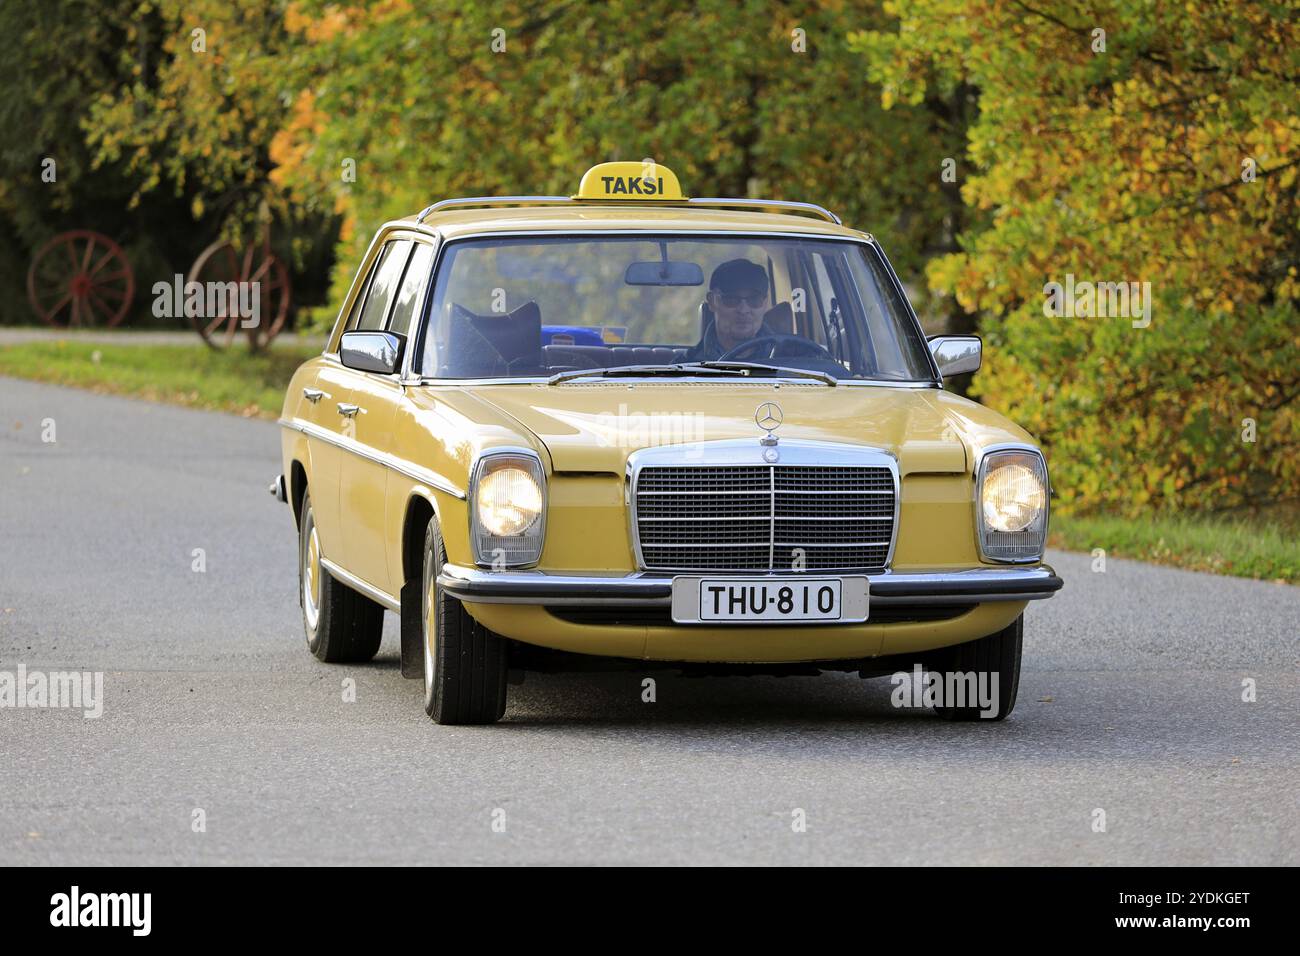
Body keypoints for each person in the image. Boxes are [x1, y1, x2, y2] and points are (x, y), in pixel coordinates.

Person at [685, 258, 772, 361]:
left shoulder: (791, 357)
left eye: (754, 299)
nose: (743, 310)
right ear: (712, 301)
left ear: (765, 303)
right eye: (732, 299)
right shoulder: (688, 367)